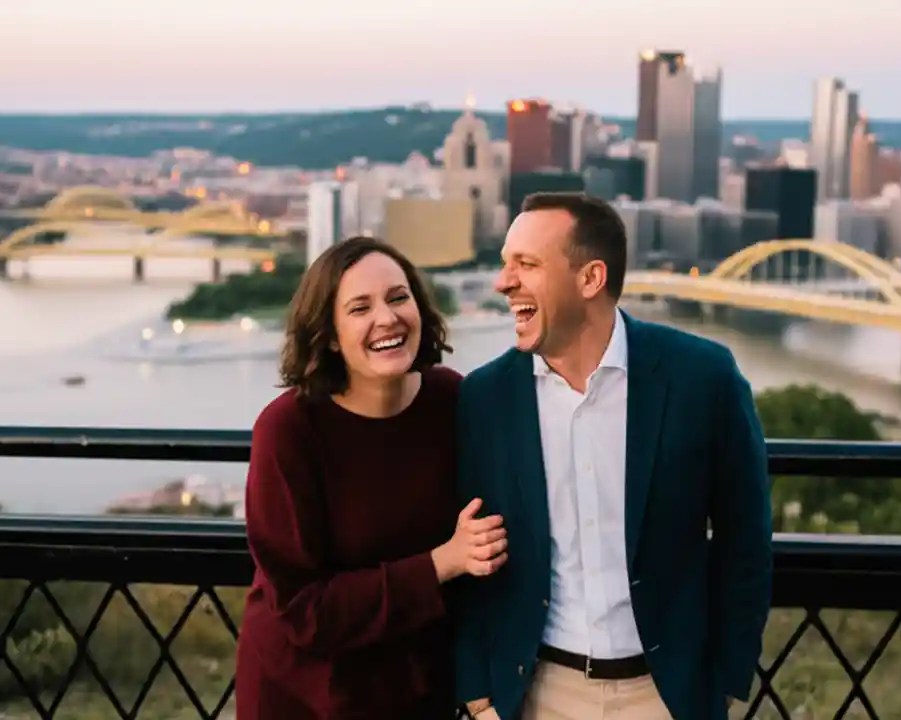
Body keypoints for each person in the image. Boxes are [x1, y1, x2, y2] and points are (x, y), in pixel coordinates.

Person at [453, 193, 773, 720]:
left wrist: (726, 682)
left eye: (526, 264)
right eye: (505, 263)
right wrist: (478, 694)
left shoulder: (703, 378)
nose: (502, 282)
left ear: (590, 278)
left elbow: (746, 542)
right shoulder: (485, 398)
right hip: (535, 694)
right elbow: (472, 552)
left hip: (667, 697)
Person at [236, 237, 508, 719]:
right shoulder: (288, 431)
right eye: (360, 308)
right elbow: (304, 610)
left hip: (419, 688)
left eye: (398, 297)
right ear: (332, 334)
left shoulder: (451, 400)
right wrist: (440, 563)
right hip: (308, 695)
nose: (387, 318)